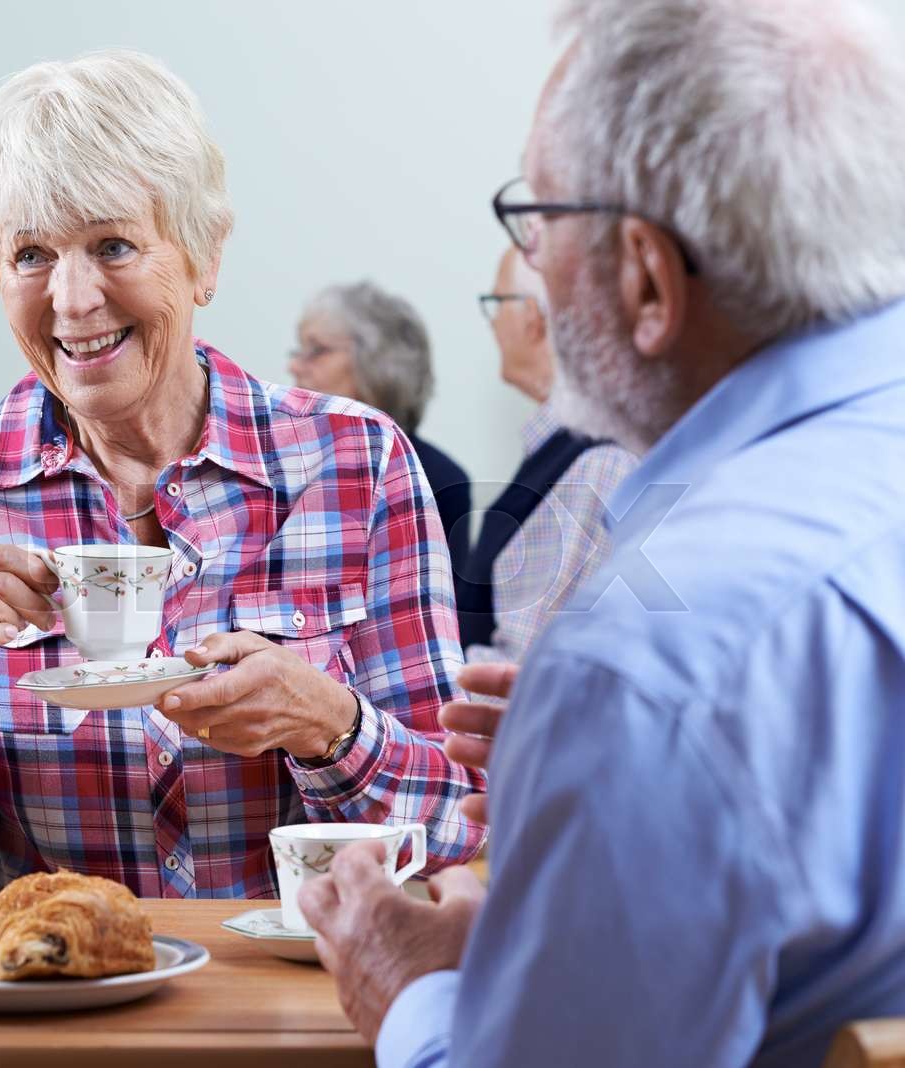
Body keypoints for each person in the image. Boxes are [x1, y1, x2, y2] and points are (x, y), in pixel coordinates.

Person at [299, 0, 905, 1064]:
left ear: (645, 278)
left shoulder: (644, 667)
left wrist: (401, 987)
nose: (526, 263)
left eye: (535, 215)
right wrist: (612, 808)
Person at [0, 50, 485, 899]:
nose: (72, 300)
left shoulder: (357, 464)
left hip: (296, 1014)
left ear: (203, 256)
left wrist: (331, 728)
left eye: (113, 244)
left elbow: (451, 825)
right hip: (46, 1004)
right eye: (31, 255)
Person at [457, 249, 636, 665]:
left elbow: (520, 668)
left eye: (496, 303)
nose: (493, 323)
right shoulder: (562, 450)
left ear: (532, 317)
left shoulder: (598, 463)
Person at [291, 281, 472, 574]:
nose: (295, 367)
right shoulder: (284, 464)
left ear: (378, 365)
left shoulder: (439, 481)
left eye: (316, 350)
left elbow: (448, 612)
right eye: (298, 350)